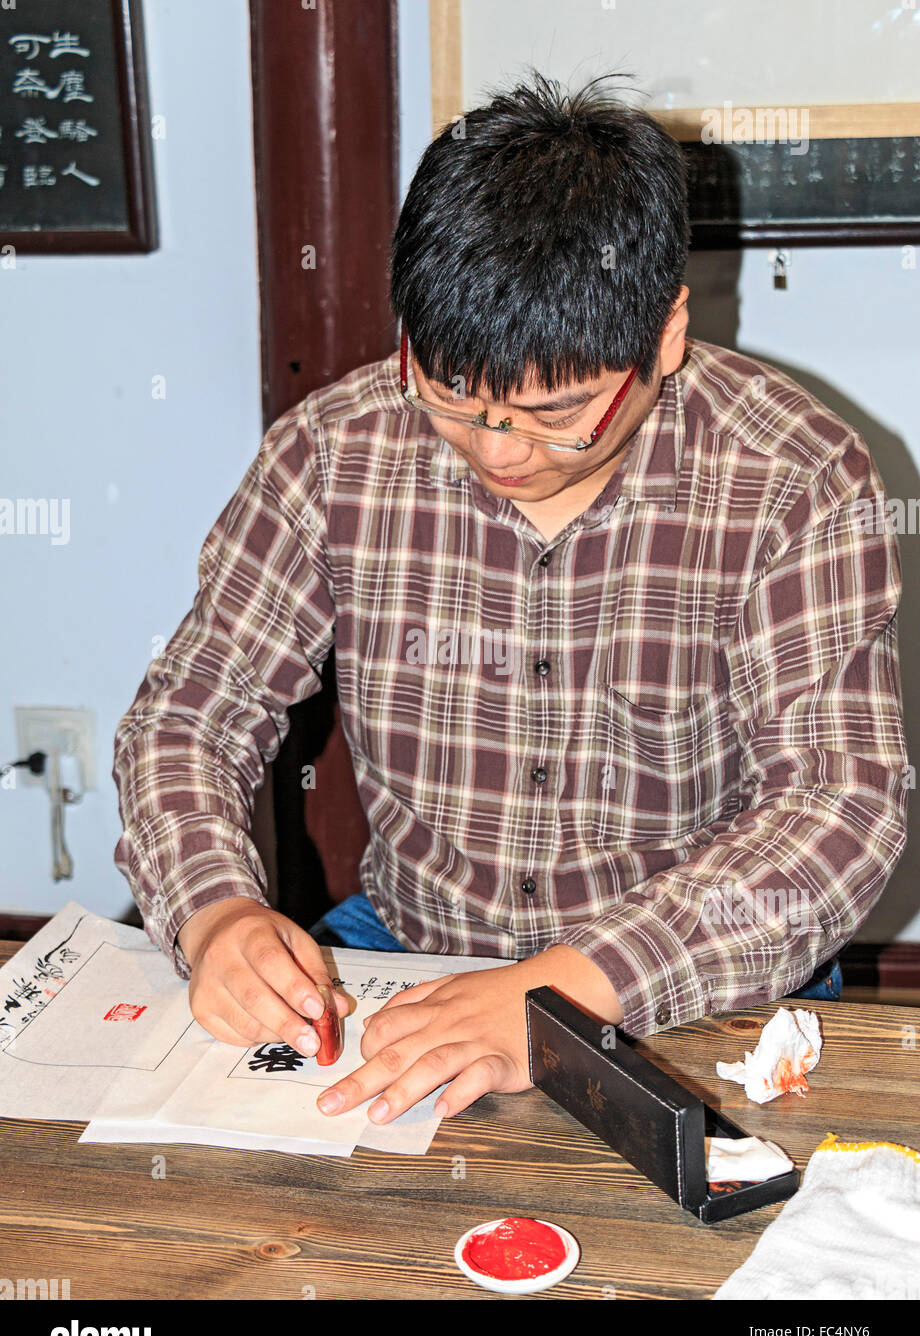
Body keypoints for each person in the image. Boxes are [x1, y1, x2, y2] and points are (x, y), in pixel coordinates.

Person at [113, 72, 907, 1127]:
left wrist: (564, 992)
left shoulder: (789, 475)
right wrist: (212, 913)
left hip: (691, 990)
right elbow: (189, 713)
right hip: (410, 956)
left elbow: (839, 804)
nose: (496, 453)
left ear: (663, 335)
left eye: (554, 414)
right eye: (449, 397)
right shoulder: (332, 451)